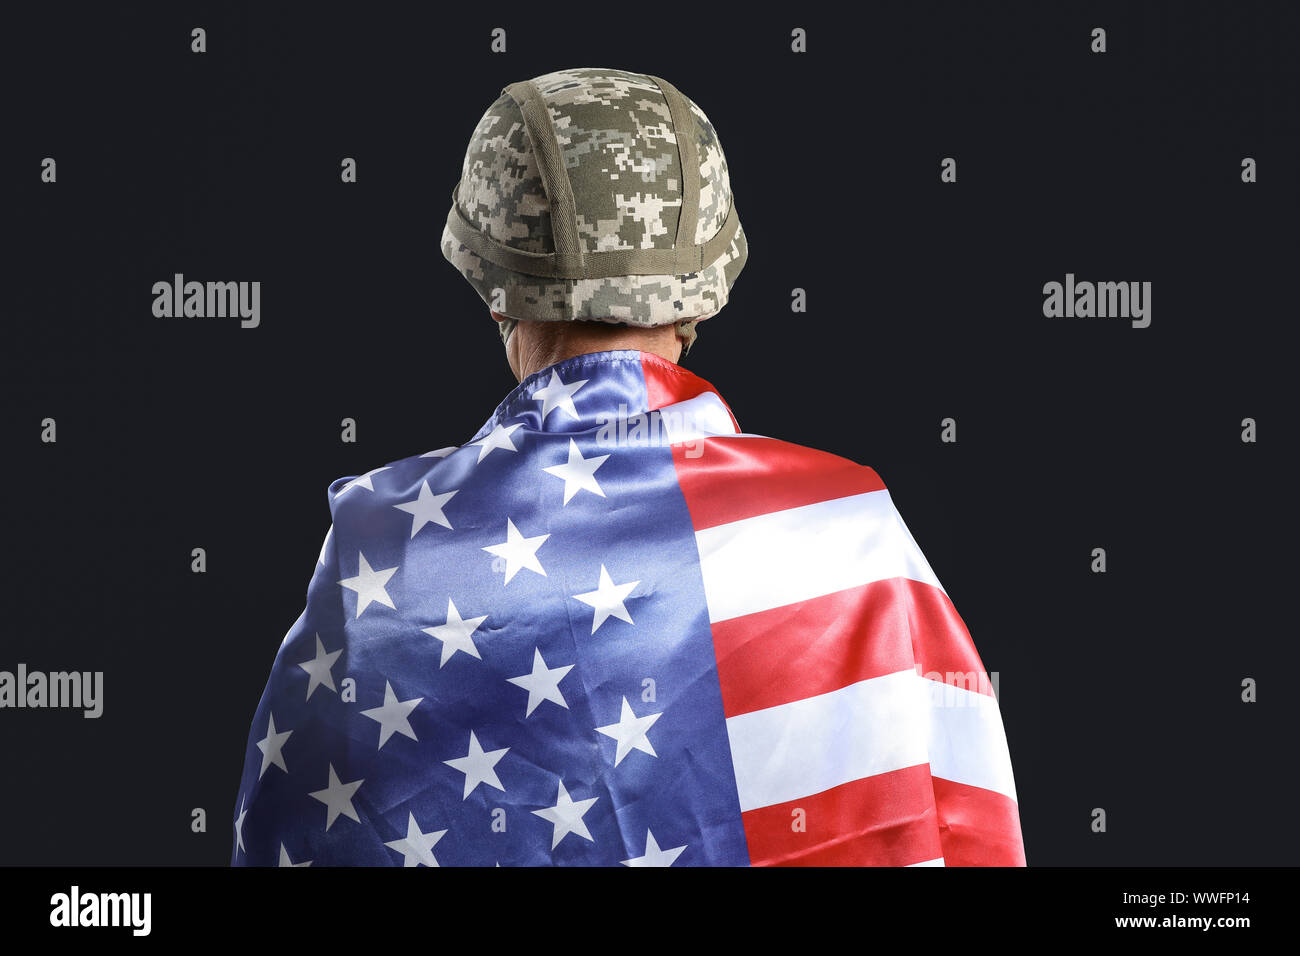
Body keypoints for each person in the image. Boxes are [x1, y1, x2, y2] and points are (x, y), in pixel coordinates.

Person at [231, 68, 1025, 867]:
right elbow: (956, 830)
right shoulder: (848, 529)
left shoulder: (382, 545)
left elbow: (290, 842)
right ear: (703, 296)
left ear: (492, 288)